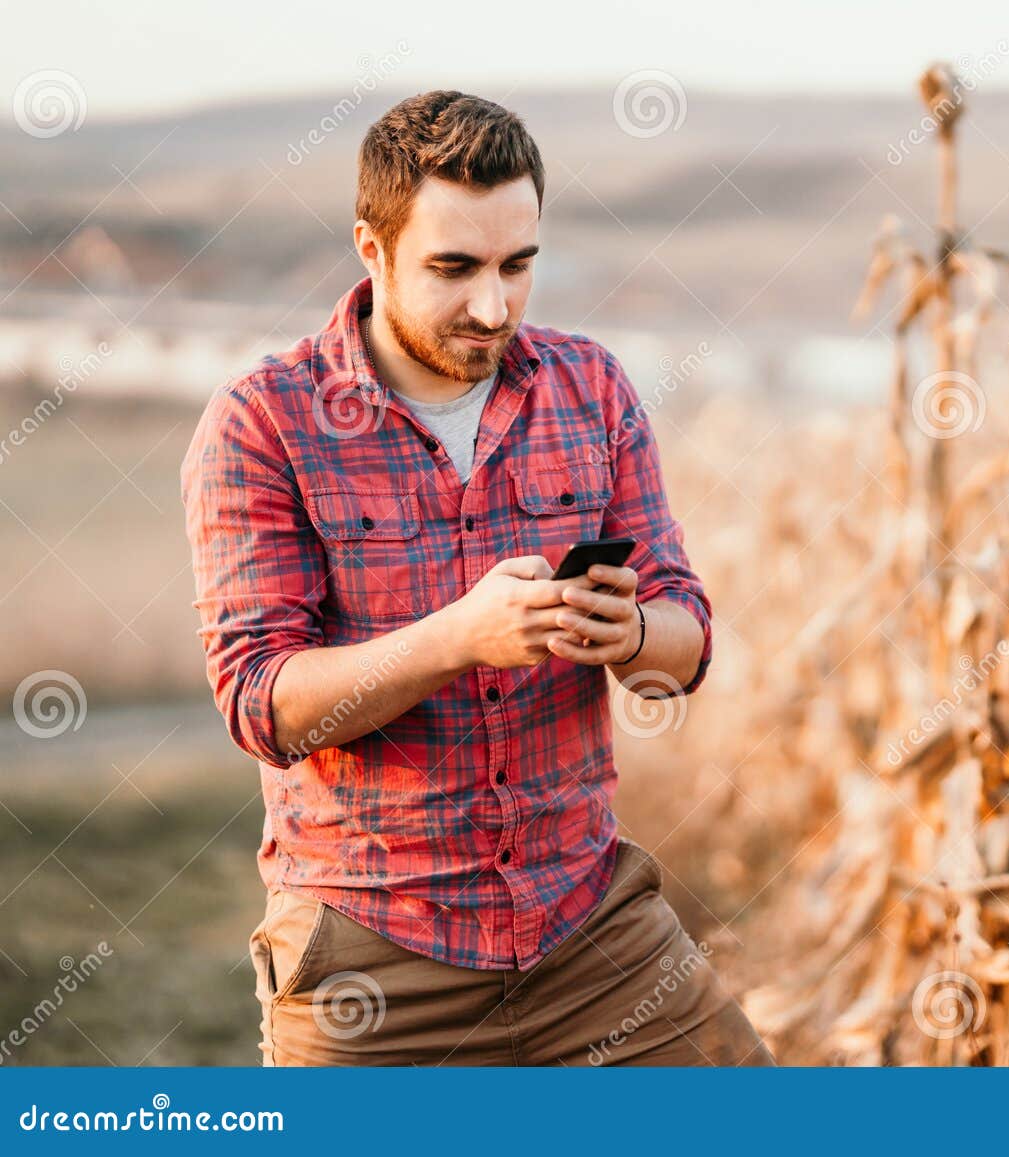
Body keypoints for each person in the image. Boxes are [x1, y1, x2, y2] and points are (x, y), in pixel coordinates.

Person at [179, 90, 774, 1066]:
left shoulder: (593, 390)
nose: (493, 305)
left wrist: (628, 634)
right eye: (454, 268)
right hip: (375, 964)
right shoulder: (264, 421)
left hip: (595, 934)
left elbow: (689, 640)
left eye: (518, 264)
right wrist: (459, 636)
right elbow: (260, 702)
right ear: (371, 250)